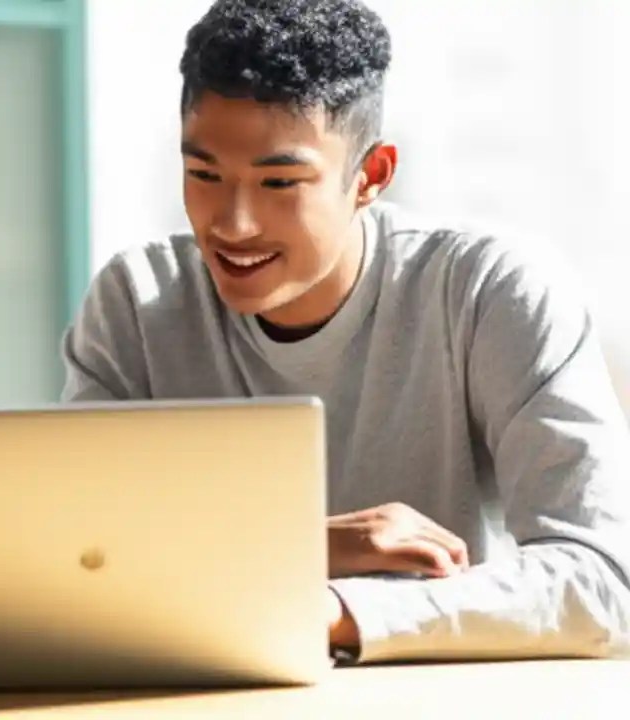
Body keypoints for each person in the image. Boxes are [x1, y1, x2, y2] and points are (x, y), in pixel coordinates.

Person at [62, 0, 630, 663]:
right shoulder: (137, 302)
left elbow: (603, 582)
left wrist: (330, 608)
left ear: (372, 176)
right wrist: (314, 544)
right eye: (204, 175)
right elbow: (83, 560)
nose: (233, 224)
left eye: (280, 182)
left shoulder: (489, 291)